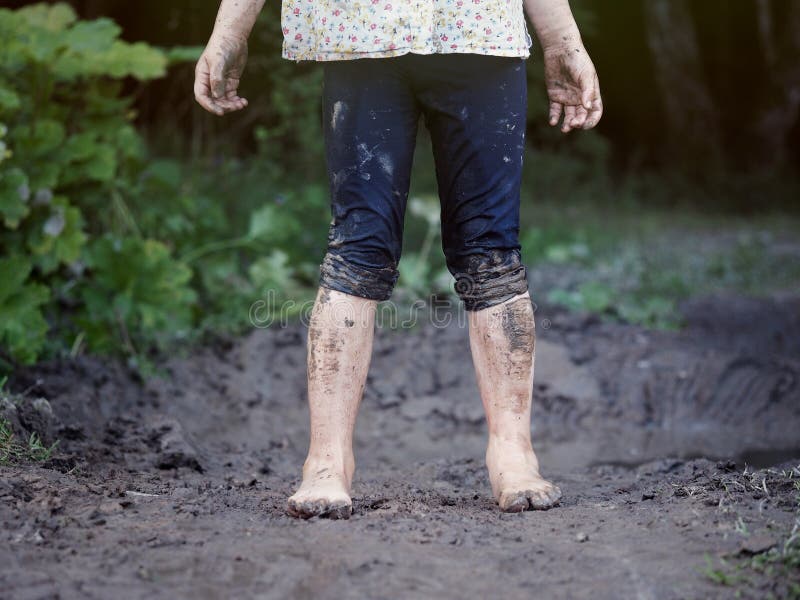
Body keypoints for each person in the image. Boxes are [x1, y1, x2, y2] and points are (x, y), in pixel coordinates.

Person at [195, 0, 602, 519]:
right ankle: (326, 461)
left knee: (492, 250)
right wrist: (231, 30)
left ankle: (514, 453)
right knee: (357, 247)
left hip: (479, 31)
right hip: (360, 31)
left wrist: (563, 39)